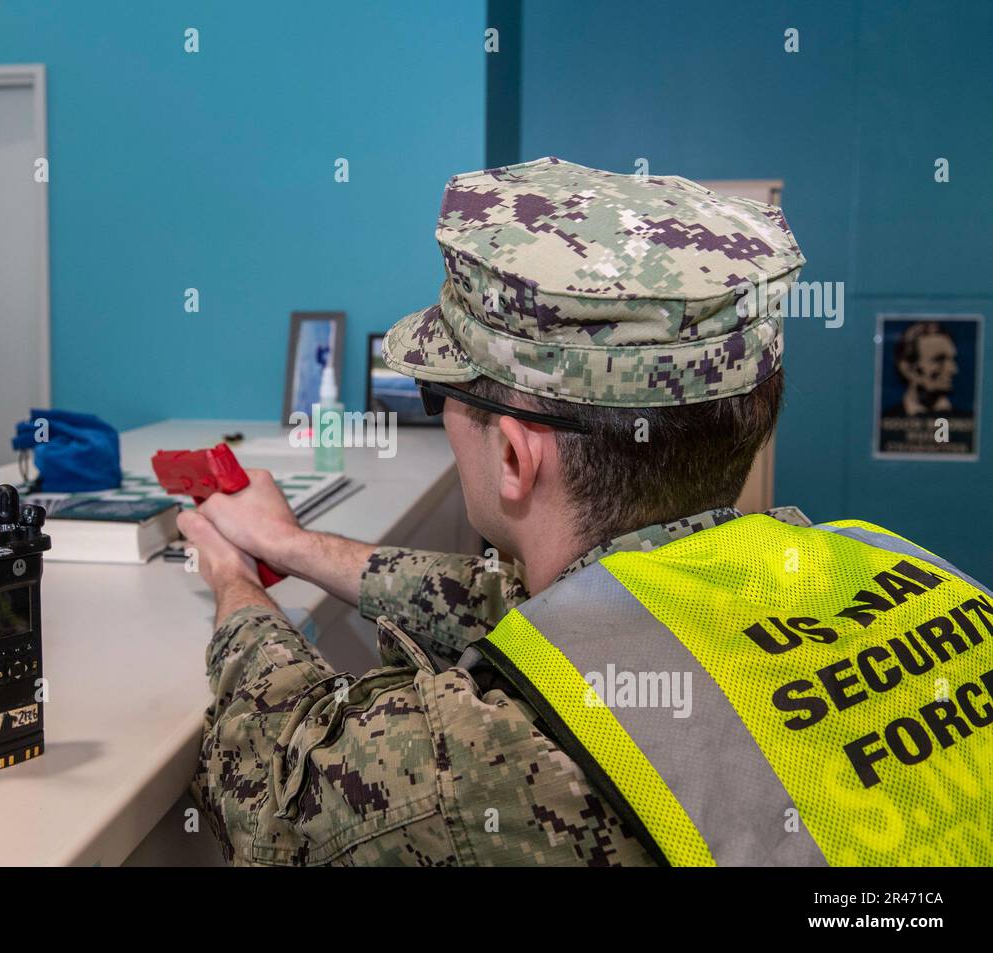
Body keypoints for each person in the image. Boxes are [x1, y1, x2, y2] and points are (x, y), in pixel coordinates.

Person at [177, 158, 993, 867]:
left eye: (441, 397)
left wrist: (231, 580)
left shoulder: (504, 758)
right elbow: (573, 618)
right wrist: (292, 544)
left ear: (514, 457)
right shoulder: (899, 568)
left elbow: (273, 788)